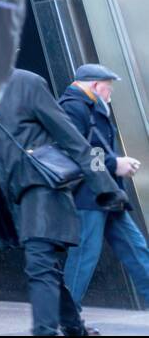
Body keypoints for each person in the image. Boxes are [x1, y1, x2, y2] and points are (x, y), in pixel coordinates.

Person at [0, 68, 122, 335]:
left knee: (39, 265)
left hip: (43, 188)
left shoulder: (26, 83)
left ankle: (45, 332)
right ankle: (75, 328)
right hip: (12, 195)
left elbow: (70, 137)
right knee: (46, 266)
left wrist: (106, 188)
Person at [59, 64, 149, 307]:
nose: (110, 95)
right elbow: (76, 150)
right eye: (108, 89)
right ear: (96, 86)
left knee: (137, 250)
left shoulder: (90, 107)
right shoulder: (72, 107)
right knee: (83, 257)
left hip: (107, 194)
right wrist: (114, 163)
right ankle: (66, 317)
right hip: (88, 197)